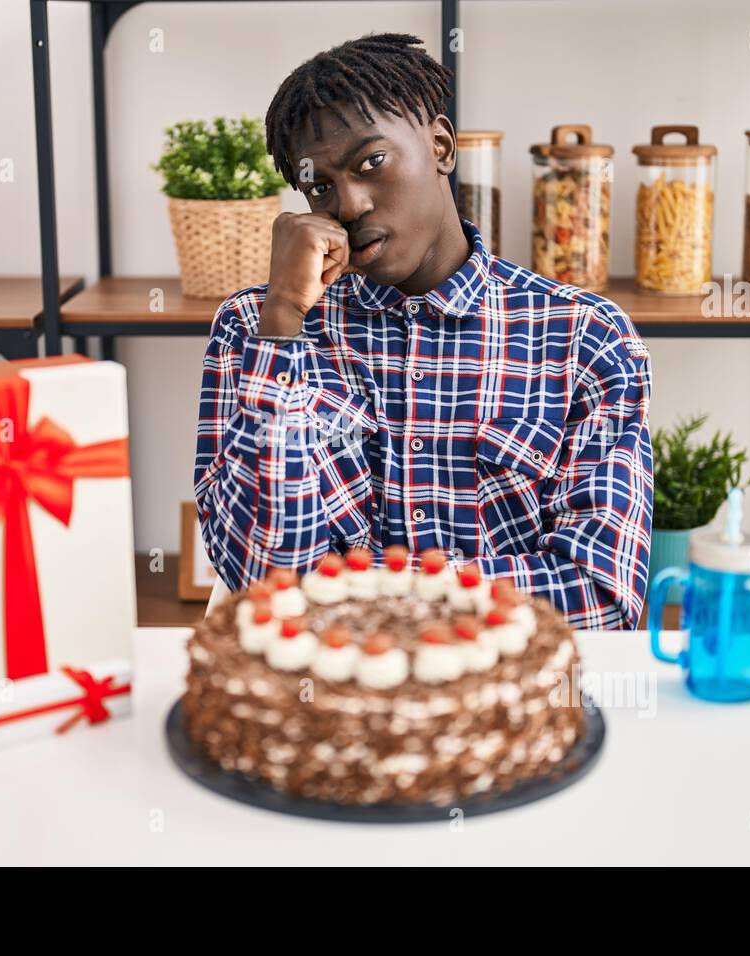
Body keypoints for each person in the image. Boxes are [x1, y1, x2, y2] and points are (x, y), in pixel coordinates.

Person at [193, 32, 653, 630]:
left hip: (503, 707)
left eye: (371, 163)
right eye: (320, 186)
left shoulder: (587, 337)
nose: (351, 204)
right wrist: (282, 319)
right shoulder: (252, 329)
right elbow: (263, 576)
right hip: (326, 702)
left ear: (440, 145)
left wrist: (366, 599)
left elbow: (600, 595)